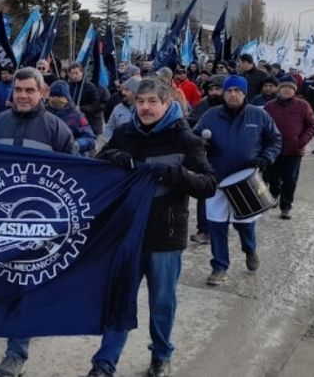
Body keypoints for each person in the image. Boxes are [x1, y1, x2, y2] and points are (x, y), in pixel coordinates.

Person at [87, 78, 217, 377]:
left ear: (167, 103)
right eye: (141, 102)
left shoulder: (187, 139)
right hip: (126, 233)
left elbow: (209, 185)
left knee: (161, 302)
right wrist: (112, 156)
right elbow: (99, 163)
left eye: (152, 102)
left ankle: (161, 355)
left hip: (165, 237)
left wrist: (176, 174)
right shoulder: (124, 133)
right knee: (120, 300)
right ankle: (105, 362)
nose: (145, 107)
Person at [0, 67, 74, 377]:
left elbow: (73, 178)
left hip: (37, 223)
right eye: (18, 90)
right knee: (1, 284)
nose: (22, 96)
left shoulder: (57, 130)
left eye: (29, 91)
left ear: (42, 92)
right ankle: (12, 329)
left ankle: (16, 353)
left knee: (25, 286)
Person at [194, 75, 281, 287]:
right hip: (217, 180)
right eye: (229, 91)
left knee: (245, 225)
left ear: (244, 94)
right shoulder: (210, 116)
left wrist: (265, 158)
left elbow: (275, 140)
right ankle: (219, 266)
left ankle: (250, 250)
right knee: (216, 225)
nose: (233, 94)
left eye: (237, 91)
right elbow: (194, 141)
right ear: (224, 93)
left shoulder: (259, 115)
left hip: (247, 181)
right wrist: (201, 149)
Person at [263, 76, 314, 220]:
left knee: (290, 179)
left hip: (294, 150)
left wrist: (301, 141)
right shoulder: (269, 106)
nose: (287, 90)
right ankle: (274, 195)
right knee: (272, 178)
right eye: (284, 87)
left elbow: (312, 125)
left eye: (290, 88)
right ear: (279, 89)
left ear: (295, 90)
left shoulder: (303, 106)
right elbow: (263, 126)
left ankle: (286, 206)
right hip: (273, 150)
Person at [186, 74, 225, 245]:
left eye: (218, 89)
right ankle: (204, 230)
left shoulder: (234, 107)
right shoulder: (203, 105)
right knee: (205, 192)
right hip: (207, 157)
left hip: (228, 158)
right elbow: (191, 125)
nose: (215, 92)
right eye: (211, 89)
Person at [45, 80, 96, 156]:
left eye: (59, 96)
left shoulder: (76, 116)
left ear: (67, 97)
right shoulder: (43, 113)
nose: (55, 99)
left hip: (68, 157)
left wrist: (77, 144)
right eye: (52, 96)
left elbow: (90, 139)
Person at [68, 62, 108, 133]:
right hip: (75, 123)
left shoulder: (90, 87)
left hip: (90, 124)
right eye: (72, 73)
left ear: (82, 73)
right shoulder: (69, 86)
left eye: (77, 73)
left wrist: (81, 108)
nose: (74, 76)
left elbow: (96, 106)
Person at [101, 77, 141, 143]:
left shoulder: (143, 110)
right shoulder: (118, 108)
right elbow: (110, 127)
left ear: (135, 92)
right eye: (123, 89)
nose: (123, 92)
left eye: (127, 90)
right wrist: (110, 142)